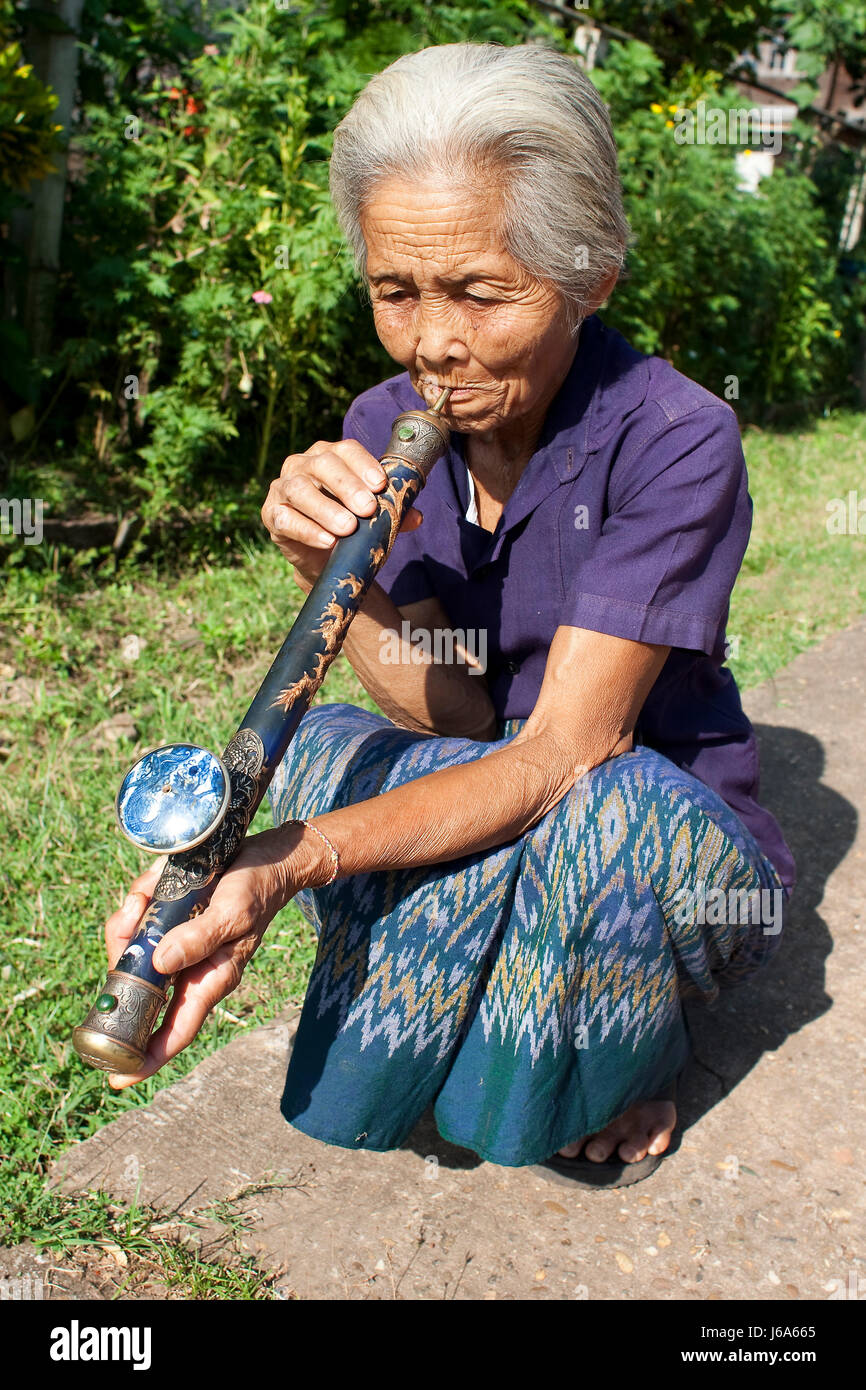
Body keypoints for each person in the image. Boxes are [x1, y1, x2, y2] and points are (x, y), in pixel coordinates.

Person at [105, 42, 795, 1188]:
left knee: (593, 819)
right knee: (322, 746)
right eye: (394, 291)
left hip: (642, 827)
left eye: (480, 292)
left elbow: (562, 757)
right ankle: (484, 1021)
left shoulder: (675, 436)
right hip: (502, 774)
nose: (433, 343)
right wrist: (336, 575)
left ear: (592, 273)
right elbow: (459, 706)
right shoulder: (389, 417)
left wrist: (290, 861)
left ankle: (637, 1041)